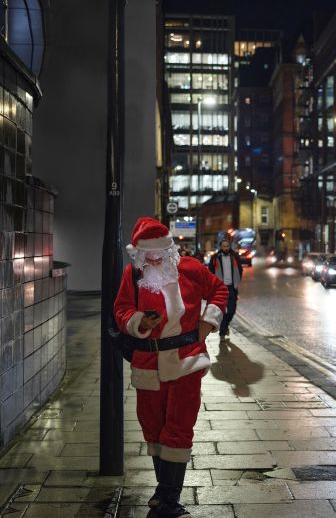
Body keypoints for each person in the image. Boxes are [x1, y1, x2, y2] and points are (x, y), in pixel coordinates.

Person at [115, 217, 228, 518]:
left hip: (186, 360)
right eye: (148, 256)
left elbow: (219, 291)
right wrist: (139, 321)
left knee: (179, 427)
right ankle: (165, 496)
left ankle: (168, 498)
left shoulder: (191, 268)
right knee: (153, 428)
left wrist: (208, 322)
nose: (154, 261)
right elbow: (121, 309)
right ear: (140, 254)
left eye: (159, 255)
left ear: (169, 250)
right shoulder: (132, 274)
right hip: (148, 363)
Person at [208, 236, 243, 340]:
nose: (226, 248)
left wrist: (236, 282)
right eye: (224, 246)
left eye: (227, 246)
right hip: (221, 288)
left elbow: (240, 269)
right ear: (221, 247)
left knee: (231, 310)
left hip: (232, 288)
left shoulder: (234, 256)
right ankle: (222, 333)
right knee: (222, 311)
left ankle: (225, 326)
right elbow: (210, 272)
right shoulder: (215, 257)